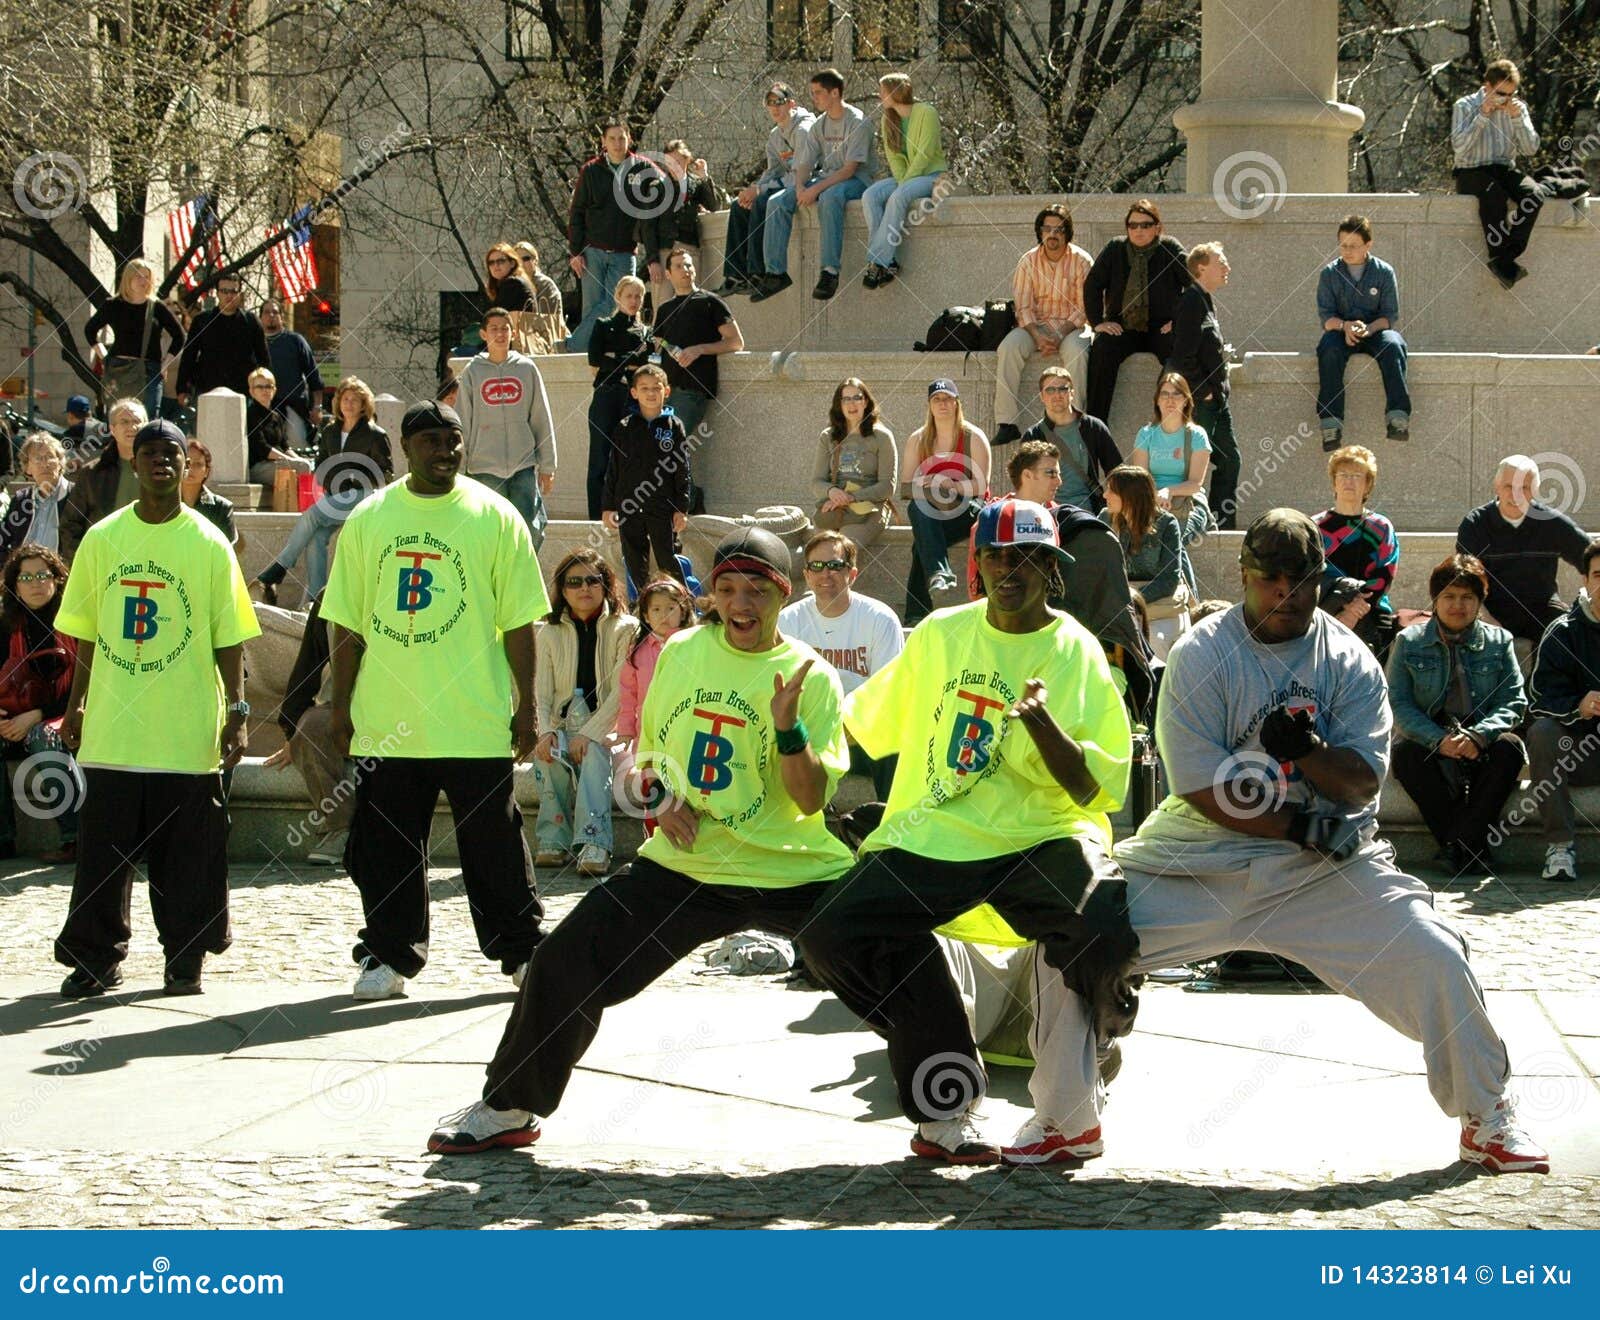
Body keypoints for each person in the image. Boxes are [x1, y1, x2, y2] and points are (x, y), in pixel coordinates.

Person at [1070, 508, 1550, 1175]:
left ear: (1319, 580)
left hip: (1327, 867)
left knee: (1438, 952)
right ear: (1244, 575)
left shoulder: (1350, 660)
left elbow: (1360, 783)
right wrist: (1299, 820)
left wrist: (1310, 754)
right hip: (1202, 856)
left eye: (1300, 581)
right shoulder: (1201, 653)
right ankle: (1066, 1113)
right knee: (1075, 934)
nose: (1286, 595)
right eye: (1270, 579)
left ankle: (1486, 1115)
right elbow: (1199, 786)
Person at [427, 528, 855, 1155]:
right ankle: (509, 1105)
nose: (741, 603)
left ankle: (945, 1108)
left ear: (782, 596)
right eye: (728, 588)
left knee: (902, 958)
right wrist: (656, 792)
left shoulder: (809, 674)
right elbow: (644, 759)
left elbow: (813, 799)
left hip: (793, 866)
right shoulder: (679, 653)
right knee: (565, 959)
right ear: (710, 595)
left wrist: (787, 729)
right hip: (686, 865)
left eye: (758, 590)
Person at [801, 498, 1138, 1164]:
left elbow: (1090, 789)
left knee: (1102, 921)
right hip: (936, 833)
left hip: (1039, 834)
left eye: (1029, 558)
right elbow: (861, 723)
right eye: (997, 556)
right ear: (977, 563)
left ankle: (1100, 1033)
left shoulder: (1076, 649)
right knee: (828, 935)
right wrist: (786, 738)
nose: (1011, 570)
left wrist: (1042, 726)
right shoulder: (940, 634)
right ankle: (947, 1079)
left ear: (1054, 568)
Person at [320, 400, 548, 1002]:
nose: (445, 450)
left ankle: (523, 951)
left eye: (454, 440)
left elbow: (522, 623)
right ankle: (390, 956)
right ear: (403, 447)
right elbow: (346, 624)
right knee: (388, 848)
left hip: (474, 718)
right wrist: (340, 707)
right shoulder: (369, 519)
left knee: (494, 845)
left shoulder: (497, 516)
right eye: (430, 440)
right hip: (388, 719)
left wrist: (526, 708)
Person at [53, 419, 261, 998]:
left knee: (187, 857)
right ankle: (95, 957)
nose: (161, 463)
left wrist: (237, 711)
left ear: (186, 464)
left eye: (172, 454)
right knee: (102, 857)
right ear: (134, 462)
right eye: (149, 454)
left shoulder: (208, 543)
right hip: (116, 729)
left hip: (186, 728)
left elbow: (230, 638)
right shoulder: (103, 539)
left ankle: (184, 957)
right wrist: (77, 708)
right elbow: (88, 636)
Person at [960, 440, 1152, 720]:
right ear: (1027, 476)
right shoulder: (992, 522)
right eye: (1050, 472)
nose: (1059, 480)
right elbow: (977, 591)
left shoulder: (1075, 526)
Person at [1389, 553, 1526, 878]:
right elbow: (1398, 703)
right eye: (1449, 596)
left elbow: (1514, 700)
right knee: (1406, 753)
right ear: (1435, 600)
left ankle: (1456, 848)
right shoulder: (1409, 642)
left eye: (1467, 597)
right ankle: (1471, 848)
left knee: (1510, 748)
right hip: (1431, 736)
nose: (1457, 605)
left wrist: (1480, 735)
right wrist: (1438, 740)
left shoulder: (1499, 641)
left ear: (1480, 602)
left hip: (1481, 738)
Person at [531, 551, 635, 876]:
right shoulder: (548, 633)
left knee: (593, 753)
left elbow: (622, 692)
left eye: (593, 580)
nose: (584, 588)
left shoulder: (626, 629)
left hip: (611, 731)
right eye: (574, 582)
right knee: (547, 754)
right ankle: (554, 839)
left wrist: (591, 732)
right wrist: (545, 730)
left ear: (606, 585)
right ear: (562, 590)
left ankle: (595, 843)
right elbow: (541, 691)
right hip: (564, 724)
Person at [779, 530, 904, 800]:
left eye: (836, 566)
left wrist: (848, 729)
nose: (826, 574)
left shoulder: (880, 619)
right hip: (808, 731)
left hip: (860, 735)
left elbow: (885, 693)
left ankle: (891, 830)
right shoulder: (787, 621)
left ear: (852, 574)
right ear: (807, 574)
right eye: (817, 566)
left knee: (894, 738)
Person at [255, 377, 394, 604]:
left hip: (364, 496)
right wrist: (334, 482)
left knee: (312, 515)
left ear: (363, 404)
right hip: (335, 495)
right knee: (316, 537)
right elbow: (320, 467)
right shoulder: (330, 432)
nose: (348, 404)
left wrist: (353, 479)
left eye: (354, 400)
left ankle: (279, 568)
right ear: (338, 403)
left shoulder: (375, 434)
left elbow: (386, 473)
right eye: (345, 399)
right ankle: (315, 600)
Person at [751, 67, 875, 303]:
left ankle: (829, 271)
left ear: (835, 93)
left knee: (829, 198)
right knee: (778, 201)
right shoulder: (820, 124)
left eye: (818, 92)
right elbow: (805, 162)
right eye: (813, 92)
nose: (814, 97)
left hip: (856, 180)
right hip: (827, 177)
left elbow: (849, 169)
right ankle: (775, 273)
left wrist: (815, 189)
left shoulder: (858, 121)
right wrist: (799, 187)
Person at [1456, 455, 1588, 653]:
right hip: (1491, 609)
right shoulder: (1475, 524)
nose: (1515, 495)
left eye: (1524, 488)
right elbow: (1465, 579)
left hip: (1542, 608)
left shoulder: (1551, 522)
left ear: (1534, 491)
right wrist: (1485, 618)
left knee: (1573, 640)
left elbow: (1591, 557)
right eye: (1509, 486)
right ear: (1497, 487)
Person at [1525, 537, 1600, 882]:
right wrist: (1578, 707)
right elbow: (1539, 698)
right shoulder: (1564, 632)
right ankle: (1560, 846)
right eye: (1599, 575)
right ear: (1586, 580)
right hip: (1580, 754)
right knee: (1542, 733)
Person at [0, 543, 79, 864]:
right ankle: (3, 840)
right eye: (26, 576)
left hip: (68, 714)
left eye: (43, 575)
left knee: (44, 736)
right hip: (13, 716)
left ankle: (76, 837)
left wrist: (36, 715)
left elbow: (82, 685)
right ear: (14, 584)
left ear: (58, 579)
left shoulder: (77, 620)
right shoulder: (6, 625)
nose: (35, 583)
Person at [1082, 199, 1193, 426]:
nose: (1138, 230)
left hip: (1160, 327)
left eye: (1145, 224)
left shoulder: (1169, 248)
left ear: (1157, 227)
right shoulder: (1115, 249)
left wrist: (1179, 320)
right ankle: (1095, 427)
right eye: (1133, 225)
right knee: (1103, 348)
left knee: (1180, 350)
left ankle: (1172, 422)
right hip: (1123, 327)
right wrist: (1097, 323)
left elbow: (1195, 285)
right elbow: (1092, 284)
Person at [992, 206, 1095, 446]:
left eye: (1058, 230)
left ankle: (1075, 420)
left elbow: (1083, 308)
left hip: (1072, 327)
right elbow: (1023, 306)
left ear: (1067, 233)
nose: (1052, 234)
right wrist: (1038, 336)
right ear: (1040, 232)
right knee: (1008, 347)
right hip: (1035, 327)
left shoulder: (1081, 260)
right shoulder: (1028, 261)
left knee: (1077, 351)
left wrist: (1060, 334)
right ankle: (1007, 423)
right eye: (1047, 229)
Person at [457, 308, 558, 550]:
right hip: (483, 469)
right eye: (494, 328)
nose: (500, 333)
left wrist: (548, 465)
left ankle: (523, 579)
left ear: (513, 332)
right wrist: (459, 469)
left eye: (505, 328)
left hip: (522, 466)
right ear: (483, 334)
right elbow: (463, 422)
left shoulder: (526, 369)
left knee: (529, 530)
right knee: (487, 532)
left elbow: (541, 416)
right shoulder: (472, 372)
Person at [263, 591, 351, 867]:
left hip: (400, 707)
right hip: (343, 704)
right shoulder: (331, 595)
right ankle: (340, 826)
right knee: (311, 729)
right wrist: (294, 734)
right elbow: (308, 666)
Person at [565, 120, 664, 352]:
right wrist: (575, 251)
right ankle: (592, 355)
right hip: (592, 251)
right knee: (591, 308)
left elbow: (661, 194)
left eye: (622, 138)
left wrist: (652, 257)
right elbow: (577, 212)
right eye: (612, 139)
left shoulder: (640, 167)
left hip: (624, 250)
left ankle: (572, 346)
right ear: (603, 142)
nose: (617, 144)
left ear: (629, 139)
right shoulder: (591, 170)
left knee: (615, 302)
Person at [1315, 215, 1410, 449]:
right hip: (1341, 331)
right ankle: (1331, 424)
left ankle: (1398, 417)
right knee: (1328, 349)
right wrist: (1344, 326)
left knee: (1394, 344)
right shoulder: (1329, 274)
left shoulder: (1384, 272)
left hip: (1375, 330)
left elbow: (1390, 316)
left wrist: (1369, 328)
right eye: (1343, 245)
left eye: (1353, 246)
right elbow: (1326, 317)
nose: (1347, 251)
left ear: (1368, 244)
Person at [901, 379, 990, 625]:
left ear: (957, 403)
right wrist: (929, 483)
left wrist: (950, 485)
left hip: (970, 510)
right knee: (917, 509)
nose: (943, 404)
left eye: (948, 398)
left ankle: (916, 613)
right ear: (929, 405)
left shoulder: (973, 437)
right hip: (933, 511)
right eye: (937, 399)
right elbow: (906, 488)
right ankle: (939, 576)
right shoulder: (918, 439)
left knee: (923, 539)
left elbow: (981, 486)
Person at [714, 84, 815, 296]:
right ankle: (736, 275)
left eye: (779, 102)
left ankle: (758, 273)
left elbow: (802, 172)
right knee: (739, 206)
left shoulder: (804, 130)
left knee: (762, 202)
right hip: (787, 181)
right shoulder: (775, 135)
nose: (774, 108)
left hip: (810, 181)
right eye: (769, 103)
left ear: (791, 104)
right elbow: (773, 171)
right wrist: (754, 188)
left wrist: (760, 191)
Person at [1452, 58, 1543, 288]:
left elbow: (1531, 149)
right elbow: (1460, 147)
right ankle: (1500, 257)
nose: (1506, 99)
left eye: (1511, 94)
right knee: (1494, 194)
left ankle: (1505, 258)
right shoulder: (1464, 106)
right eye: (1501, 93)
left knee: (1534, 195)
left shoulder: (1517, 108)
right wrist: (1482, 115)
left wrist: (1516, 119)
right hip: (1471, 169)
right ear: (1487, 86)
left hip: (1503, 167)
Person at [1169, 242, 1239, 529]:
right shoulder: (1191, 302)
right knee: (1195, 465)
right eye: (1220, 262)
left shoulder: (1205, 300)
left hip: (1215, 400)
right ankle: (1198, 523)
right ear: (1200, 268)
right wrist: (1203, 390)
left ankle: (1220, 524)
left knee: (1229, 460)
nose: (1227, 268)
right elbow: (1182, 354)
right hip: (1203, 402)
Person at [603, 364, 690, 590]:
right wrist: (608, 506)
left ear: (666, 391)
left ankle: (681, 603)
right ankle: (644, 605)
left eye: (656, 388)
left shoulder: (674, 427)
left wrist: (681, 508)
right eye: (644, 388)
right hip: (629, 505)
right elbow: (614, 469)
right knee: (634, 559)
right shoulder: (624, 427)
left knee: (668, 558)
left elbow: (682, 469)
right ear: (634, 392)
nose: (651, 393)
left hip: (662, 505)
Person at [651, 249, 743, 452]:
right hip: (665, 391)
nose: (686, 269)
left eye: (688, 265)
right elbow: (659, 342)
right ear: (668, 274)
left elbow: (736, 342)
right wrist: (669, 347)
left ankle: (683, 485)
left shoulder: (711, 301)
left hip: (692, 390)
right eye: (678, 266)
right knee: (663, 446)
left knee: (670, 444)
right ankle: (686, 485)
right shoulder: (665, 308)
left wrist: (700, 349)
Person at [861, 73, 946, 289]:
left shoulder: (927, 112)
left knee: (899, 196)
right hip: (905, 177)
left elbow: (925, 155)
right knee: (870, 195)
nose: (879, 96)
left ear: (895, 91)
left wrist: (904, 184)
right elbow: (894, 158)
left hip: (930, 175)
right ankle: (888, 261)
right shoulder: (887, 119)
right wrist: (902, 181)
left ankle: (877, 261)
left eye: (883, 91)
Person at [1101, 465, 1192, 661]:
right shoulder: (1105, 518)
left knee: (1154, 644)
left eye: (1111, 490)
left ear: (1130, 495)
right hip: (1117, 606)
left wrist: (1131, 600)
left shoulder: (1166, 524)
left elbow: (1168, 580)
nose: (1104, 495)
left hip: (1158, 608)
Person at [1315, 444, 1398, 659]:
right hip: (1325, 611)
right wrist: (1339, 615)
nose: (1349, 481)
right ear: (1334, 481)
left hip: (1371, 613)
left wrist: (1353, 612)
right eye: (1343, 474)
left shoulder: (1380, 527)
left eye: (1357, 475)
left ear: (1368, 485)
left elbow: (1382, 577)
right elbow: (1309, 575)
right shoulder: (1315, 526)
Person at [585, 274, 653, 519]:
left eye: (638, 296)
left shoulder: (646, 332)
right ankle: (596, 516)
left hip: (633, 399)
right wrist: (626, 362)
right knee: (600, 460)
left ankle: (628, 513)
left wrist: (616, 359)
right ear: (618, 297)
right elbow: (595, 359)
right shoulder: (603, 325)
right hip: (607, 396)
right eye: (629, 296)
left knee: (630, 457)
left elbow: (648, 363)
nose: (633, 301)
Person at [83, 258, 184, 418]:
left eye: (146, 277)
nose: (143, 281)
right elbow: (90, 330)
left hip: (149, 371)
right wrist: (103, 355)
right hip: (118, 369)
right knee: (118, 420)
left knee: (147, 419)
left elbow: (179, 336)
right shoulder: (113, 305)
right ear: (128, 278)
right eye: (138, 276)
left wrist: (166, 363)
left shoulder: (157, 307)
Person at [1011, 367, 1119, 512]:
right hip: (1048, 512)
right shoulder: (1033, 435)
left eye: (1063, 389)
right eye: (1050, 390)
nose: (1057, 395)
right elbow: (1023, 483)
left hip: (1090, 512)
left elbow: (1117, 471)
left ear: (1072, 393)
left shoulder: (1093, 427)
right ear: (1042, 396)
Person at [59, 397, 146, 563]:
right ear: (112, 429)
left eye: (137, 421)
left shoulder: (159, 471)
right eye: (124, 422)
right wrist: (84, 563)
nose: (132, 427)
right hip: (103, 564)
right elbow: (70, 524)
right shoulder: (92, 473)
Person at [811, 377, 897, 546]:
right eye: (846, 399)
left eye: (857, 398)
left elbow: (887, 487)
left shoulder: (882, 437)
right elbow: (816, 482)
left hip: (870, 506)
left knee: (841, 550)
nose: (852, 404)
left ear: (865, 402)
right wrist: (832, 492)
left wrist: (851, 497)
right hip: (833, 506)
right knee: (820, 552)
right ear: (839, 404)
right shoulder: (828, 436)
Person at [645, 139, 724, 317]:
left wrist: (705, 177)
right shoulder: (656, 187)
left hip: (690, 250)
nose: (675, 166)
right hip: (664, 252)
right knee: (663, 306)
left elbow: (714, 206)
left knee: (691, 304)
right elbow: (648, 227)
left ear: (687, 160)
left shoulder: (696, 184)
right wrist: (652, 260)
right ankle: (661, 345)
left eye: (679, 161)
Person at [1129, 372, 1211, 543]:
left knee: (1172, 539)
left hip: (1189, 504)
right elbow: (1141, 480)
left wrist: (1169, 491)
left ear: (1186, 400)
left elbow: (1195, 484)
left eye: (1176, 394)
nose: (1170, 399)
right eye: (1164, 394)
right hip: (1151, 503)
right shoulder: (1146, 434)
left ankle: (1175, 571)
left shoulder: (1197, 435)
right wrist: (1156, 497)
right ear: (1157, 401)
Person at [174, 274, 270, 403]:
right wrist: (181, 389)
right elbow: (188, 356)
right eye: (224, 291)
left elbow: (263, 359)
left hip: (243, 393)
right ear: (217, 293)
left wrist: (266, 389)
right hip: (207, 391)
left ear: (239, 294)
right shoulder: (202, 321)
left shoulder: (251, 322)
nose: (229, 296)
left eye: (233, 291)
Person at [259, 297, 323, 446]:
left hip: (293, 409)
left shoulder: (295, 341)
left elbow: (314, 378)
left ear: (282, 316)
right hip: (262, 411)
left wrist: (317, 408)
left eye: (275, 312)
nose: (271, 316)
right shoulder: (254, 343)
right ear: (261, 317)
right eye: (267, 312)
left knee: (297, 453)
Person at [0, 434, 73, 557]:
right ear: (27, 468)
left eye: (50, 457)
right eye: (38, 458)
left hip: (62, 572)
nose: (45, 464)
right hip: (24, 572)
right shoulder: (21, 500)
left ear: (60, 463)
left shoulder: (76, 495)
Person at [245, 367, 314, 488]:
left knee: (307, 464)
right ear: (251, 391)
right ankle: (304, 505)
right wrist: (290, 461)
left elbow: (284, 445)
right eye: (259, 387)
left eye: (268, 386)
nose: (264, 390)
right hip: (258, 468)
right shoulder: (250, 414)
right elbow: (263, 448)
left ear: (274, 390)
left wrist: (298, 459)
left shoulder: (276, 416)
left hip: (277, 463)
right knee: (301, 467)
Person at [179, 439, 239, 550]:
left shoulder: (222, 507)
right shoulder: (165, 504)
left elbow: (228, 548)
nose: (191, 468)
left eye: (198, 464)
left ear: (206, 471)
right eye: (186, 463)